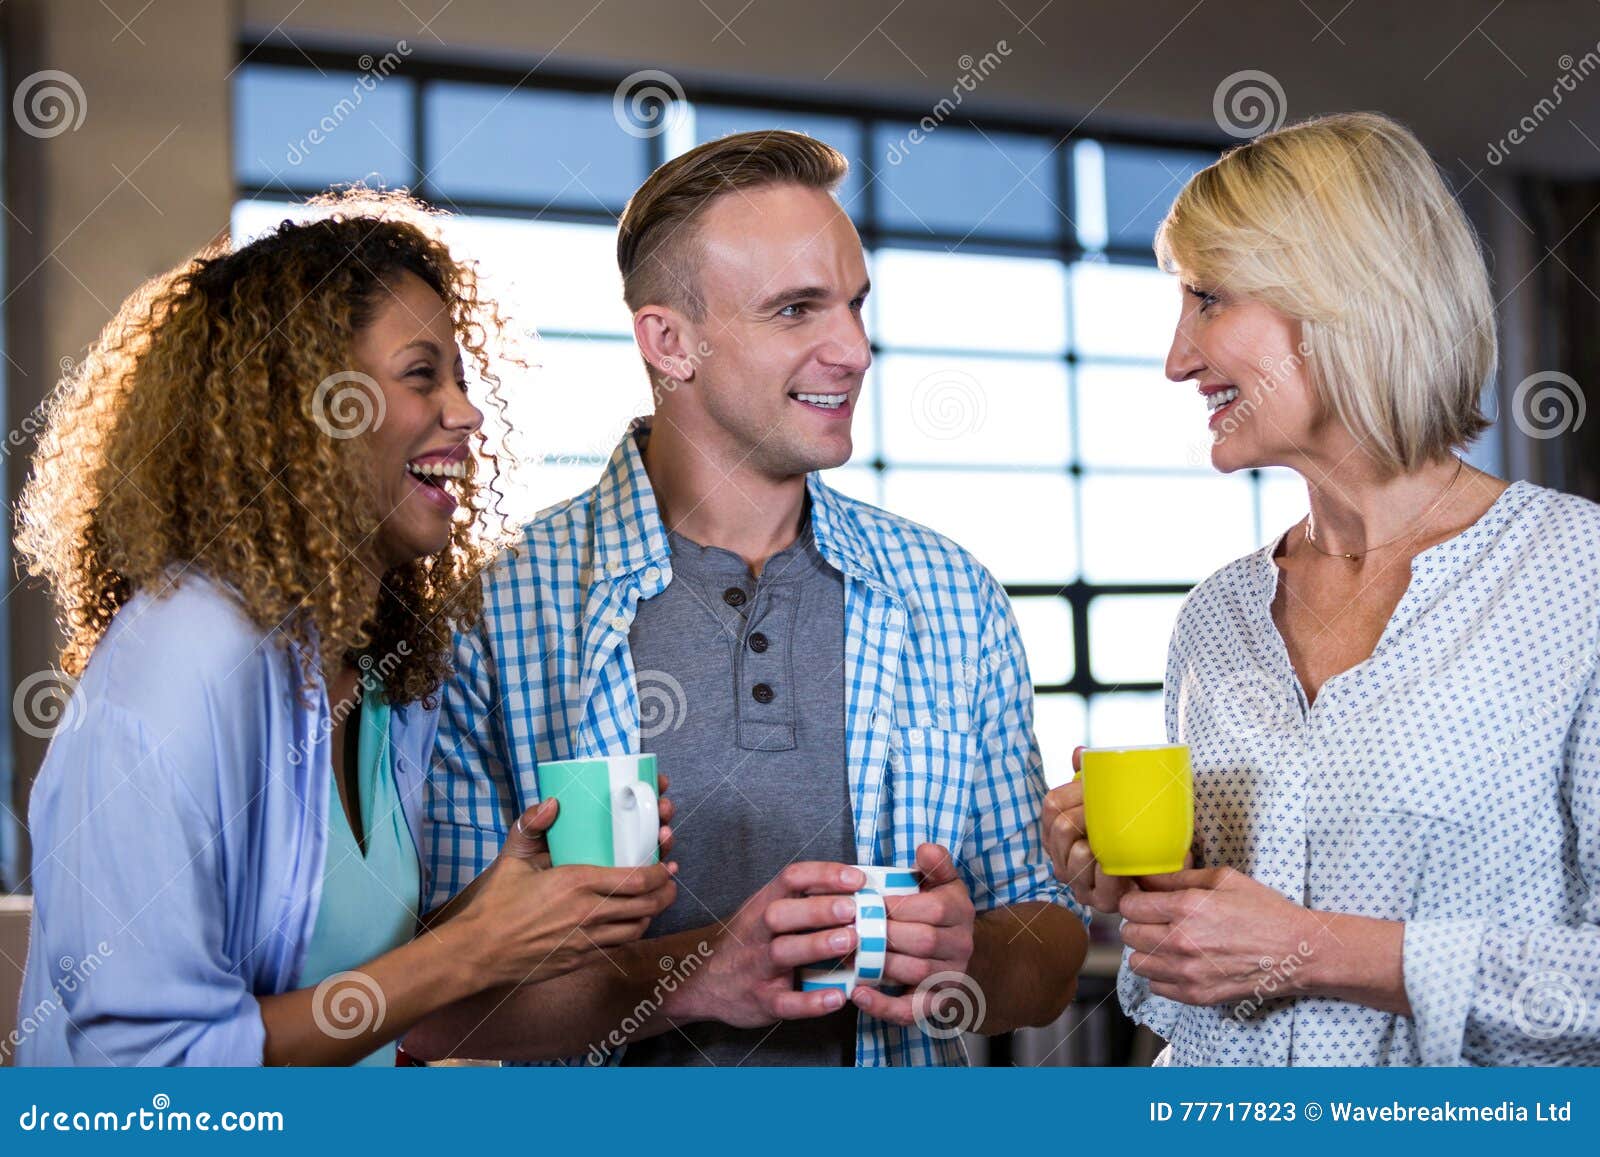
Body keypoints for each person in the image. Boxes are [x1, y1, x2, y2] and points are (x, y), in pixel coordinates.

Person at [405, 131, 1087, 1067]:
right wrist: (695, 976)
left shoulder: (951, 593)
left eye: (854, 304)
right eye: (796, 309)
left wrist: (968, 955)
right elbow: (430, 1007)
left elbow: (1051, 948)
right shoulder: (495, 605)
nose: (854, 350)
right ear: (669, 343)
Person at [14, 192, 676, 1066]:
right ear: (306, 410)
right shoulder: (183, 664)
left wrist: (501, 905)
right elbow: (153, 1072)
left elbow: (349, 981)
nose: (467, 413)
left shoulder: (382, 669)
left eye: (462, 377)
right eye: (422, 375)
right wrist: (473, 949)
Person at [1043, 112, 1600, 1065]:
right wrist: (1140, 888)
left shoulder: (1575, 578)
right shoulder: (1216, 617)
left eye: (1209, 298)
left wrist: (1313, 949)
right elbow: (1194, 982)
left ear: (1344, 296)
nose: (1176, 358)